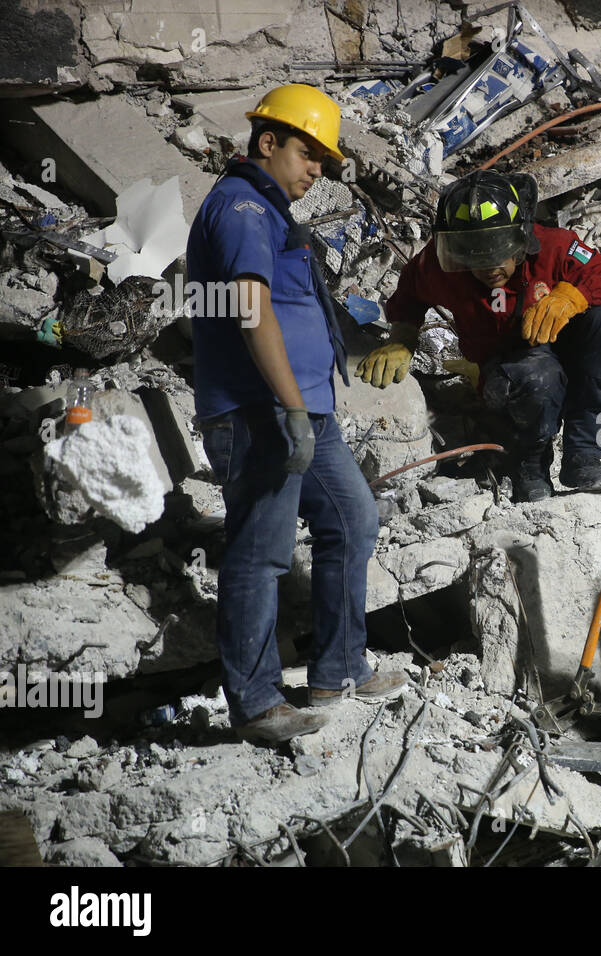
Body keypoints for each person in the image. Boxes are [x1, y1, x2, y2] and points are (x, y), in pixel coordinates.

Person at [188, 84, 406, 745]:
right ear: (268, 142)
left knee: (353, 519)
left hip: (304, 412)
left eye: (324, 161)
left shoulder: (271, 213)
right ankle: (256, 705)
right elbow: (252, 313)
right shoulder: (242, 209)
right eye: (309, 154)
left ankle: (337, 670)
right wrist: (288, 408)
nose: (317, 170)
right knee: (261, 553)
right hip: (262, 413)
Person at [358, 170, 601, 501]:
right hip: (508, 373)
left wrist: (574, 295)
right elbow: (409, 292)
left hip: (569, 360)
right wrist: (402, 338)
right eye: (474, 254)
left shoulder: (555, 247)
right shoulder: (441, 264)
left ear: (521, 238)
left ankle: (584, 453)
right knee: (538, 374)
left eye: (497, 251)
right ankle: (529, 462)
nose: (488, 266)